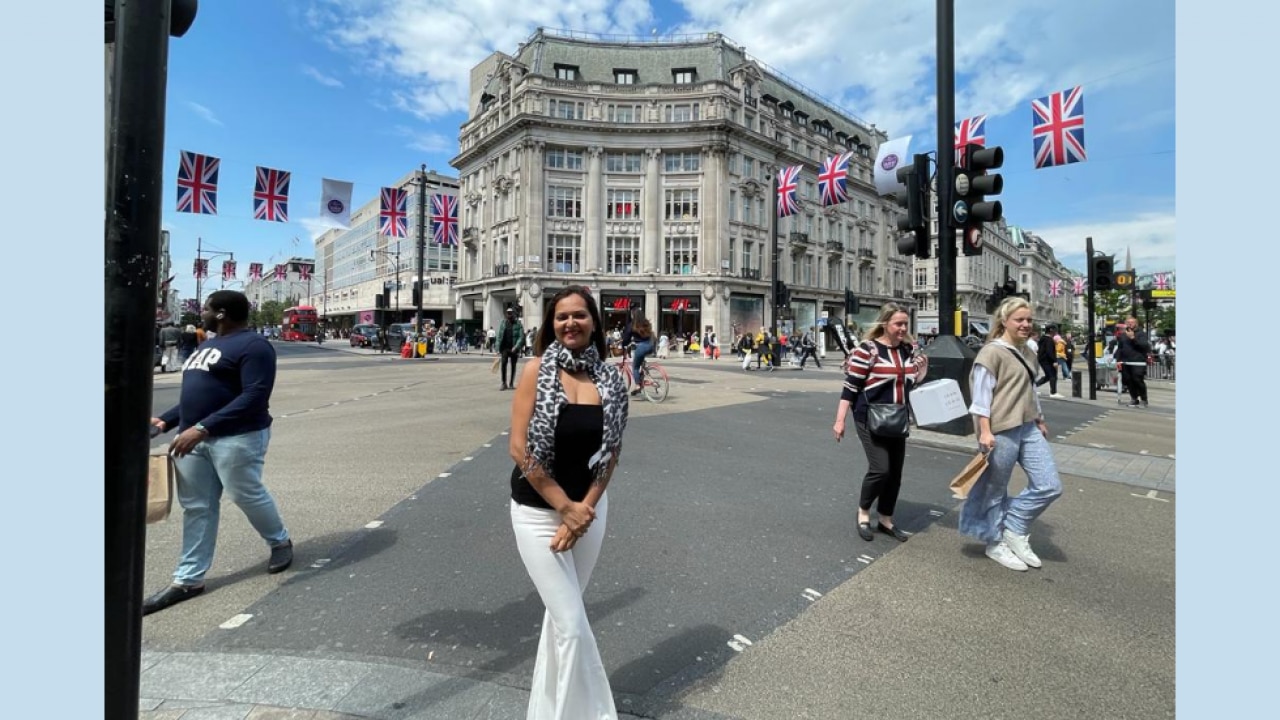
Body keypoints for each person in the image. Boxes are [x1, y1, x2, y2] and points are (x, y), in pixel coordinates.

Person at [508, 285, 629, 720]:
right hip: (538, 513)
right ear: (551, 324)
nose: (570, 323)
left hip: (589, 513)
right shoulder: (536, 370)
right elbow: (520, 450)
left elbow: (611, 453)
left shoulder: (611, 379)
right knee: (573, 628)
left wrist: (583, 511)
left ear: (594, 322)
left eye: (579, 315)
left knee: (562, 622)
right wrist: (565, 508)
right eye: (561, 317)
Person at [145, 290, 292, 614]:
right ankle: (188, 580)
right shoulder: (207, 345)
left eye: (207, 309)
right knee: (197, 506)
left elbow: (255, 395)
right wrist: (167, 420)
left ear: (222, 313)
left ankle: (279, 541)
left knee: (246, 494)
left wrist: (203, 428)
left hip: (236, 437)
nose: (203, 314)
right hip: (193, 438)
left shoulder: (255, 346)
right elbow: (199, 394)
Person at [960, 296, 1063, 572]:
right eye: (1020, 319)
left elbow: (1029, 388)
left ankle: (1013, 527)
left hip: (1028, 426)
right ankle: (995, 542)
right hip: (1000, 429)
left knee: (1049, 485)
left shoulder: (1029, 348)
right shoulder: (991, 353)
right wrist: (983, 431)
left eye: (1029, 320)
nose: (1026, 324)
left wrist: (1039, 417)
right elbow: (980, 399)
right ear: (1004, 321)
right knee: (994, 490)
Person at [832, 303, 928, 542]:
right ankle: (864, 512)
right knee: (880, 469)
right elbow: (851, 386)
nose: (903, 328)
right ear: (885, 324)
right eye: (898, 323)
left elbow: (911, 382)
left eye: (905, 323)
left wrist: (920, 369)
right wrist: (840, 420)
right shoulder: (869, 349)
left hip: (897, 418)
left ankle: (886, 519)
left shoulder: (907, 350)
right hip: (870, 416)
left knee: (895, 473)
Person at [1114, 315, 1151, 407]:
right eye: (1128, 322)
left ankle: (1144, 399)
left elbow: (1144, 346)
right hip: (1126, 362)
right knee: (1128, 380)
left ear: (1136, 324)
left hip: (1138, 362)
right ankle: (1134, 398)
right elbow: (1120, 348)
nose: (1130, 324)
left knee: (1137, 379)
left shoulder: (1141, 334)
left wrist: (1133, 338)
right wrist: (1118, 360)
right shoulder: (1123, 335)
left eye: (1132, 322)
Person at [622, 309, 654, 397]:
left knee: (635, 367)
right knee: (640, 362)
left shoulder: (632, 325)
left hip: (641, 347)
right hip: (650, 345)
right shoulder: (646, 323)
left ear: (633, 315)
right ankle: (642, 375)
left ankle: (637, 385)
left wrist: (624, 345)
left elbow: (626, 338)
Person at [498, 307, 527, 390]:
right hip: (505, 348)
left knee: (513, 366)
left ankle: (511, 383)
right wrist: (498, 348)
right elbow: (500, 336)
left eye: (511, 313)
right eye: (508, 313)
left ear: (514, 314)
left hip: (514, 348)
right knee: (503, 364)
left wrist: (517, 346)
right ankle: (504, 383)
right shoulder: (503, 323)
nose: (509, 314)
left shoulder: (518, 324)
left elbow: (521, 337)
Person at [1034, 326, 1064, 398]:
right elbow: (1049, 351)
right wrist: (1054, 361)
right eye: (1055, 331)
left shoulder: (1042, 339)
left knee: (1048, 376)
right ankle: (1053, 393)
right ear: (1051, 331)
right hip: (1047, 360)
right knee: (1053, 375)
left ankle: (1033, 387)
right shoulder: (1049, 340)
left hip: (1042, 360)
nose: (1055, 333)